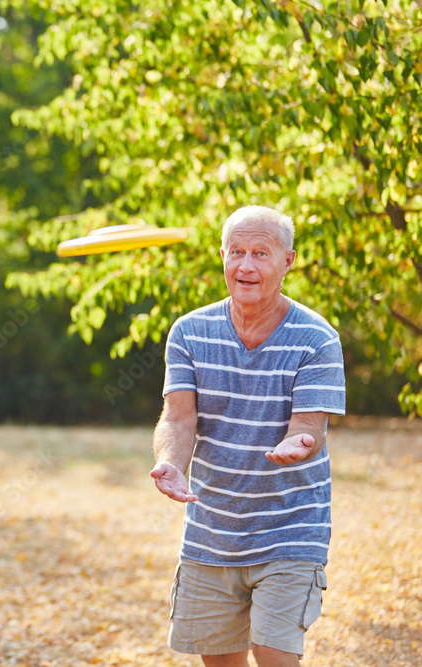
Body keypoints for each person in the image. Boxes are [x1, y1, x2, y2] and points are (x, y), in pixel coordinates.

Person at [150, 205, 346, 666]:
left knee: (274, 652)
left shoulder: (316, 338)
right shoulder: (189, 332)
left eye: (261, 253)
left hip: (290, 528)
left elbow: (308, 425)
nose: (246, 265)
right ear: (221, 255)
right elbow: (178, 418)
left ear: (288, 261)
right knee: (221, 661)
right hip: (212, 530)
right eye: (236, 252)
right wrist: (172, 464)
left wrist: (297, 444)